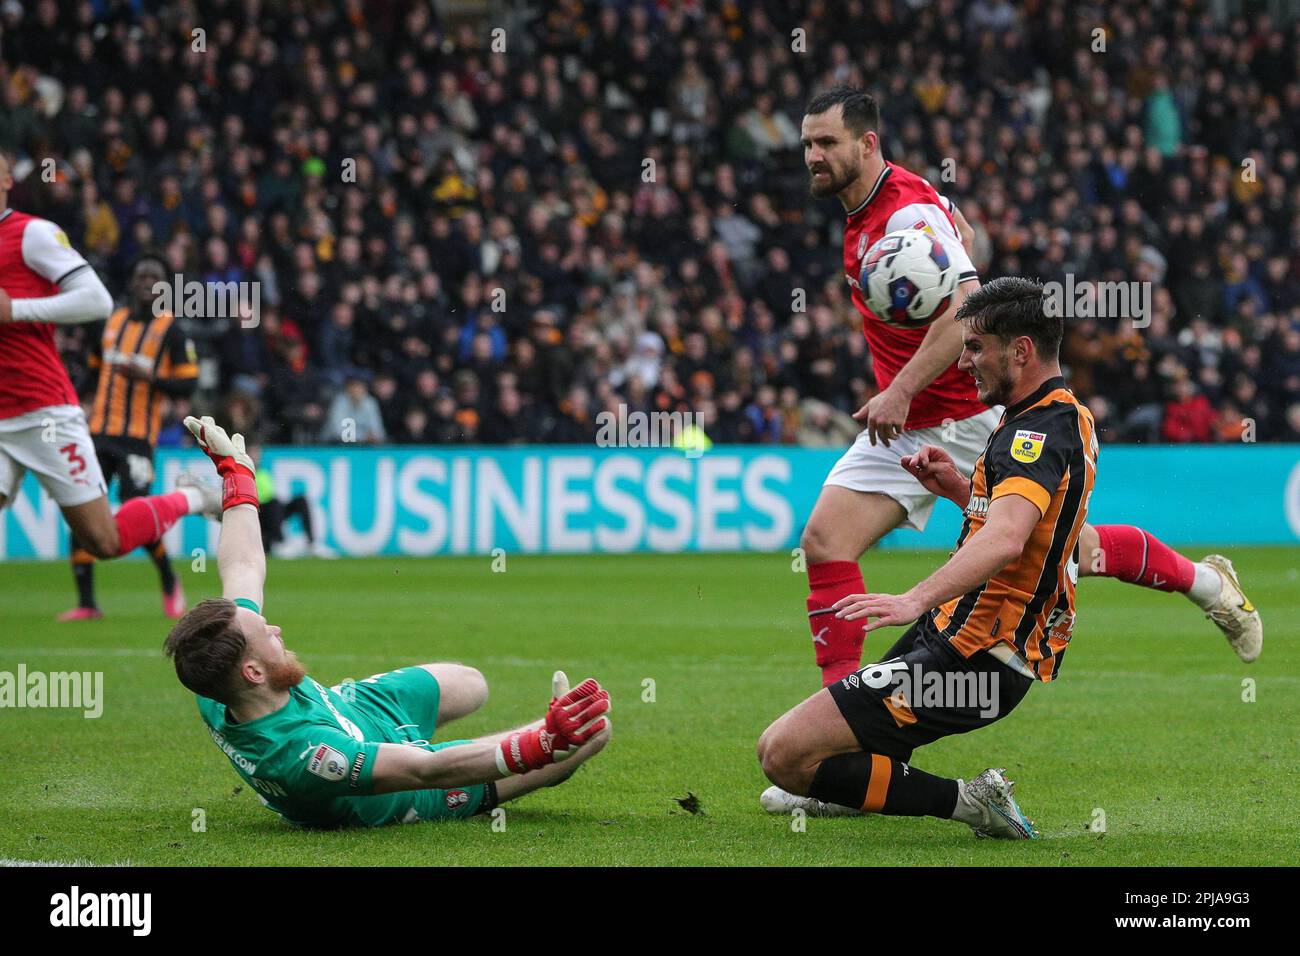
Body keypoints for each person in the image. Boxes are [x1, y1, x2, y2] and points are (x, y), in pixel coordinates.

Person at [794, 87, 1261, 693]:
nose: (813, 155)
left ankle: (1208, 585)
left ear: (867, 143)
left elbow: (965, 306)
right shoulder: (876, 210)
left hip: (963, 418)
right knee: (825, 541)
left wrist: (901, 389)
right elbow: (969, 252)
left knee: (1070, 553)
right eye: (807, 143)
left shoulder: (905, 212)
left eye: (827, 142)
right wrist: (964, 240)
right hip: (907, 428)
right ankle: (838, 720)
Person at [758, 277, 1095, 837]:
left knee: (785, 757)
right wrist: (959, 490)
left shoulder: (1031, 433)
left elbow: (1008, 538)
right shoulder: (1063, 415)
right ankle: (851, 789)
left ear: (1021, 350)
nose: (964, 362)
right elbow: (1033, 528)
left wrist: (912, 596)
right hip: (959, 635)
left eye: (976, 347)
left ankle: (972, 803)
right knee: (816, 761)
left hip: (976, 657)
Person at [164, 416, 612, 828]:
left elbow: (243, 566)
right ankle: (543, 747)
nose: (275, 629)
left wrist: (236, 476)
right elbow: (426, 770)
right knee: (591, 733)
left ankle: (503, 738)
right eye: (267, 635)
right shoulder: (308, 756)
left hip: (352, 707)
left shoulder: (217, 681)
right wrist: (539, 744)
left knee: (473, 683)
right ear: (254, 671)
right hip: (412, 785)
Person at [0, 153, 218, 573]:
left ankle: (195, 497)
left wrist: (17, 310)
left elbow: (95, 298)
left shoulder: (31, 234)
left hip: (40, 408)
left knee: (104, 539)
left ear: (9, 179)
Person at [60, 254, 200, 621]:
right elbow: (93, 369)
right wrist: (75, 401)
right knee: (82, 509)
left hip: (138, 437)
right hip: (98, 433)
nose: (146, 282)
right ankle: (87, 602)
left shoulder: (172, 330)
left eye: (154, 277)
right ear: (133, 282)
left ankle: (169, 579)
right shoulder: (111, 321)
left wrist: (149, 378)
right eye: (141, 275)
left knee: (135, 507)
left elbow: (189, 382)